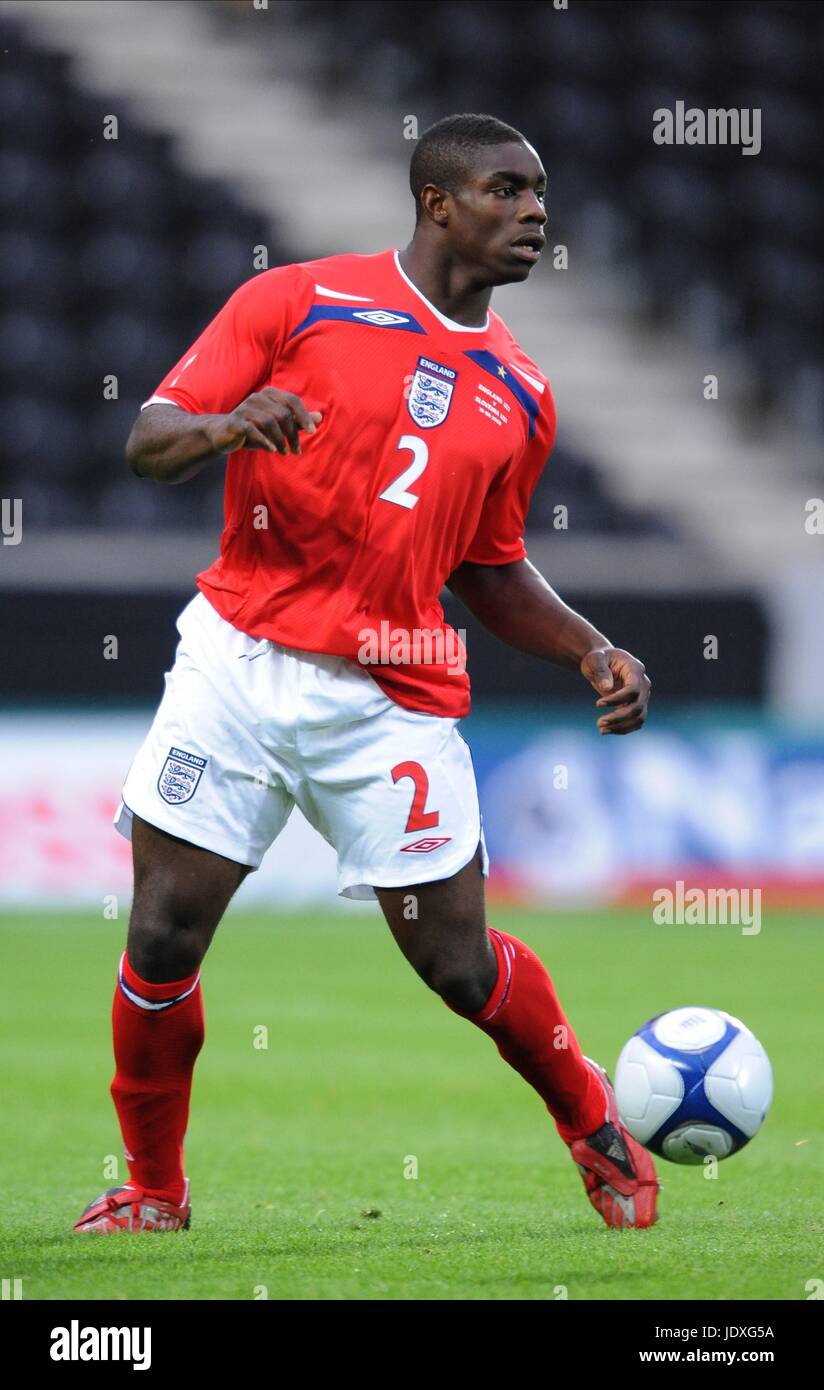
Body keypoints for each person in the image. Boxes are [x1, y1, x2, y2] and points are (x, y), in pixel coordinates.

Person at [73, 113, 657, 1236]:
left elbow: (487, 573)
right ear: (437, 203)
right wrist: (228, 426)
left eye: (538, 193)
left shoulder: (522, 392)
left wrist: (589, 645)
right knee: (158, 938)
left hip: (391, 696)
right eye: (506, 189)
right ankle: (154, 1192)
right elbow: (149, 440)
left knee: (455, 963)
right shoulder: (296, 300)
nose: (534, 211)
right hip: (237, 663)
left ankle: (589, 1120)